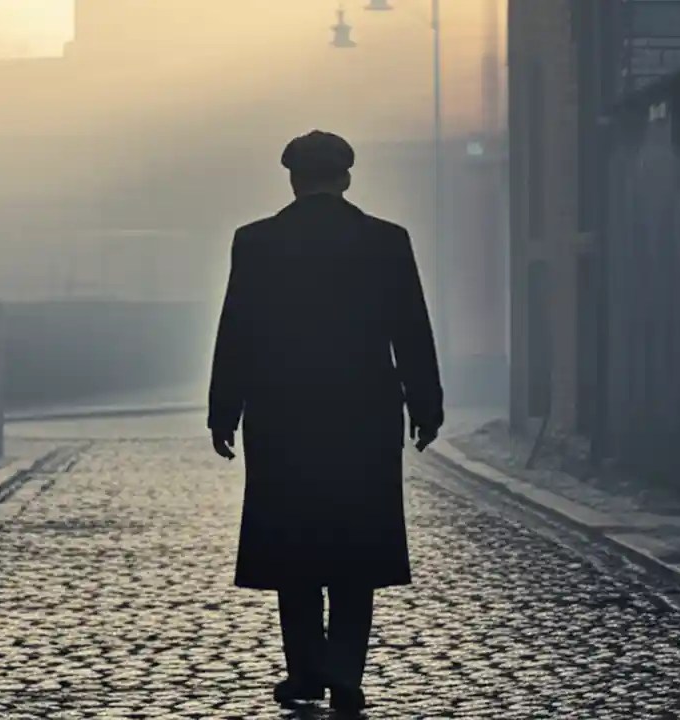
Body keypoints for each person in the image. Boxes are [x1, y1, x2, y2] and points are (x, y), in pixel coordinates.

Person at [207, 130, 444, 713]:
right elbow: (410, 327)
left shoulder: (256, 242)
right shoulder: (386, 241)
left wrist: (224, 410)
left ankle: (306, 672)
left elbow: (236, 331)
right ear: (346, 178)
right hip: (363, 416)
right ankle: (346, 674)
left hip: (281, 415)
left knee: (294, 546)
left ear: (293, 179)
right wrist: (426, 404)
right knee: (355, 546)